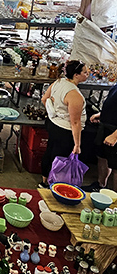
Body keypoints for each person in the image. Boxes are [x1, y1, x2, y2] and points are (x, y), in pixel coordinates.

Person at [39, 60, 89, 188]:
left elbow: (45, 99)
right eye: (85, 72)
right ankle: (54, 185)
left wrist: (54, 114)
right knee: (60, 159)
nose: (87, 74)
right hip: (65, 131)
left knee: (50, 151)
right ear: (76, 75)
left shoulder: (59, 82)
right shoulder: (74, 95)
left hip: (53, 124)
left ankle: (44, 181)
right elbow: (75, 122)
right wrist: (77, 144)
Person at [89, 82, 117, 189]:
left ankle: (115, 199)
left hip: (114, 131)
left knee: (115, 166)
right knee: (102, 157)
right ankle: (100, 186)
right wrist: (101, 115)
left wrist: (115, 136)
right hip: (106, 126)